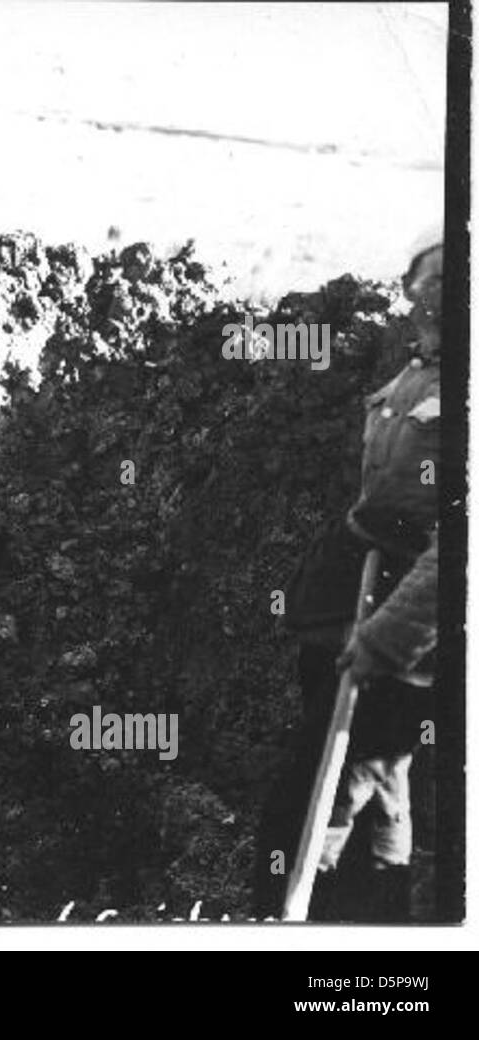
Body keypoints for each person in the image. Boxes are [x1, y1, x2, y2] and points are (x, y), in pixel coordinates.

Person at [255, 228, 442, 921]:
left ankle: (317, 932)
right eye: (419, 285)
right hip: (357, 596)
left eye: (443, 289)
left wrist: (386, 642)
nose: (422, 301)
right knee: (375, 787)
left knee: (326, 795)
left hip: (406, 634)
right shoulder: (417, 375)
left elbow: (459, 549)